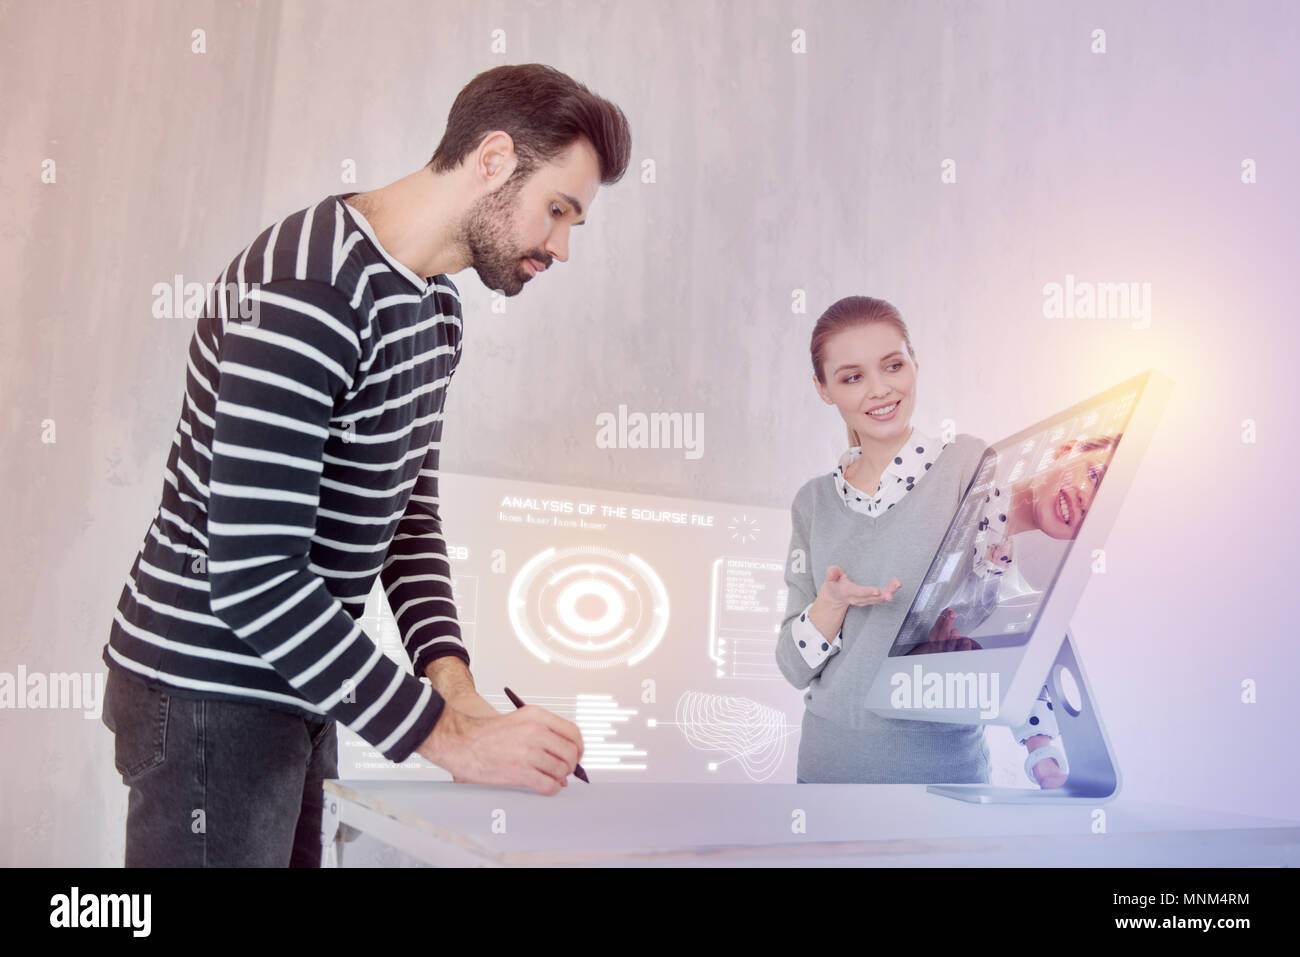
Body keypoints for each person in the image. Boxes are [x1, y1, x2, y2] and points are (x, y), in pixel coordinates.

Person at [100, 64, 632, 866]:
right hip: (207, 697)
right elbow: (253, 575)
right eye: (557, 210)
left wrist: (453, 683)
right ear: (492, 160)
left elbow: (405, 512)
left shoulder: (435, 308)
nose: (558, 246)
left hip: (306, 681)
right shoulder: (308, 287)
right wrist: (449, 740)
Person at [776, 295, 1056, 786]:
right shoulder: (814, 502)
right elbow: (794, 666)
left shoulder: (969, 467)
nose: (880, 390)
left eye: (892, 365)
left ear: (914, 365)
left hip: (942, 772)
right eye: (852, 377)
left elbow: (1015, 610)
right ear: (823, 389)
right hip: (827, 774)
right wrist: (830, 603)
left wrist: (1041, 744)